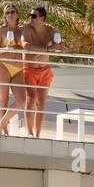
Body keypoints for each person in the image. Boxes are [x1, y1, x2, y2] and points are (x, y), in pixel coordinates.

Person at [21, 7, 62, 138]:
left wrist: (53, 48)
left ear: (41, 19)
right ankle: (29, 132)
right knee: (31, 98)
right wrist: (45, 50)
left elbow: (60, 46)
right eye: (30, 15)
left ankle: (37, 134)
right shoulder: (26, 29)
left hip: (45, 71)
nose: (30, 18)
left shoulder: (50, 30)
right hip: (29, 69)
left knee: (41, 103)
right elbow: (25, 45)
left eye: (33, 16)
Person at [0, 4, 27, 136]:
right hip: (3, 66)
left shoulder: (22, 31)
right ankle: (4, 132)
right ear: (5, 16)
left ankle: (0, 124)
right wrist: (5, 49)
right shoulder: (1, 30)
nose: (9, 15)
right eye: (7, 13)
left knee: (21, 99)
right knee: (3, 101)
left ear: (17, 15)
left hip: (18, 68)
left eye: (12, 12)